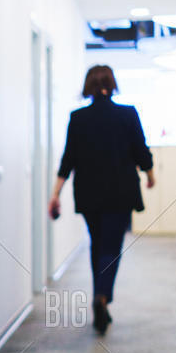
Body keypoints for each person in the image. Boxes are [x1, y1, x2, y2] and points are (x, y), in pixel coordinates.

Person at [48, 64, 154, 335]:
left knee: (97, 245)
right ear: (112, 84)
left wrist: (55, 193)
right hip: (120, 193)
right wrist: (150, 175)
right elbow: (141, 150)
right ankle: (103, 296)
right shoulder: (127, 114)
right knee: (112, 247)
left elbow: (68, 159)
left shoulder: (78, 117)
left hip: (89, 193)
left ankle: (100, 297)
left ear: (88, 86)